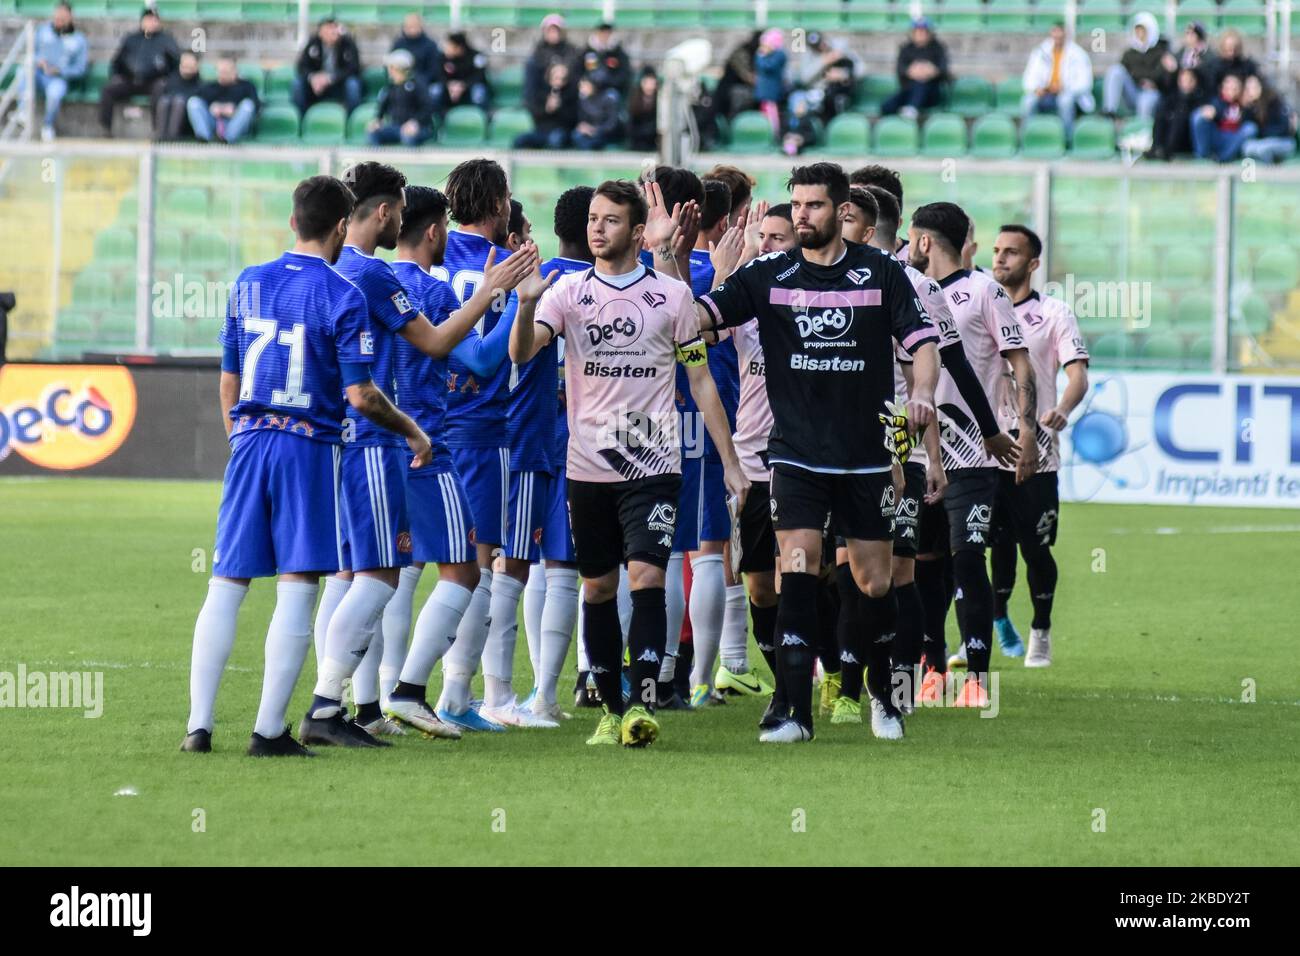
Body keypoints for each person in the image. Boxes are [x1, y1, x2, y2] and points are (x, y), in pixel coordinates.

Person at [180, 175, 430, 757]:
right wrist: (414, 430)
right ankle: (268, 732)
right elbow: (362, 396)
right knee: (297, 588)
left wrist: (240, 438)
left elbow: (228, 377)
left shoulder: (247, 282)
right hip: (308, 449)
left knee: (226, 583)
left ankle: (199, 726)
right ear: (342, 227)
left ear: (293, 222)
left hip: (248, 440)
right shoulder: (342, 295)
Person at [696, 163, 942, 743]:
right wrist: (672, 264)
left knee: (874, 582)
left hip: (865, 455)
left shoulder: (881, 272)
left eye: (814, 206)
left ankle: (882, 697)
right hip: (795, 453)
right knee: (797, 567)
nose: (802, 215)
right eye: (797, 204)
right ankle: (794, 712)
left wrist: (925, 393)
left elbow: (922, 345)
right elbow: (700, 318)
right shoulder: (768, 273)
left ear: (839, 209)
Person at [302, 162, 538, 748]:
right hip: (409, 441)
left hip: (350, 440)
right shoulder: (388, 280)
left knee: (363, 574)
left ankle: (364, 704)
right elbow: (469, 356)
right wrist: (496, 295)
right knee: (447, 567)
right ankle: (375, 697)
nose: (403, 221)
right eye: (400, 211)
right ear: (389, 214)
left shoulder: (330, 273)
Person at [509, 179, 747, 748]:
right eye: (593, 217)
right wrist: (522, 304)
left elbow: (699, 380)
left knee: (646, 578)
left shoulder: (672, 297)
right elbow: (522, 353)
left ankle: (643, 703)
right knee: (597, 588)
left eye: (611, 219)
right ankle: (610, 706)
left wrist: (731, 465)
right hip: (587, 465)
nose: (597, 227)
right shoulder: (565, 294)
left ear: (637, 232)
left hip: (655, 463)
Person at [358, 186, 545, 737]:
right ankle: (412, 690)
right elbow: (486, 362)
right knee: (463, 569)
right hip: (429, 443)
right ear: (435, 231)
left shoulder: (365, 280)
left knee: (379, 573)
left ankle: (361, 705)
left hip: (373, 444)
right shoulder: (429, 292)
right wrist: (509, 298)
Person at [906, 202, 1038, 707]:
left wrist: (1024, 431)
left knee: (967, 561)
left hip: (976, 454)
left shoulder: (984, 291)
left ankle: (978, 679)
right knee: (923, 565)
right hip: (919, 453)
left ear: (923, 242)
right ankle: (933, 668)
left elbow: (1019, 365)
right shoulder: (912, 292)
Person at [427, 159, 531, 731]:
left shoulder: (431, 258)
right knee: (481, 565)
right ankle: (458, 696)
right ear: (498, 205)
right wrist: (523, 295)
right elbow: (496, 361)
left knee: (394, 567)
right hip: (484, 428)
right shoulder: (503, 268)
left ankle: (373, 689)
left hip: (426, 427)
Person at [988, 225, 1089, 669]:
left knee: (1035, 547)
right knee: (986, 545)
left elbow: (1077, 375)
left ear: (1032, 263)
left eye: (1011, 253)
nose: (1000, 259)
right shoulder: (978, 304)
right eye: (995, 251)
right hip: (983, 448)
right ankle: (993, 621)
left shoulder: (1053, 314)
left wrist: (1063, 409)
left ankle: (1040, 629)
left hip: (1037, 450)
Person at [516, 187, 594, 721]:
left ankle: (528, 690)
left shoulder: (540, 282)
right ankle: (560, 687)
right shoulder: (601, 284)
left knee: (530, 566)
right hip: (588, 435)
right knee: (575, 565)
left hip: (531, 433)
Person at [99, 7, 179, 136]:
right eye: (148, 19)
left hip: (154, 81)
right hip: (129, 80)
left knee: (160, 88)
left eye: (154, 20)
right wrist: (116, 76)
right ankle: (105, 129)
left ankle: (156, 130)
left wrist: (167, 77)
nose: (151, 23)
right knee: (108, 89)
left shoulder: (167, 40)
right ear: (142, 21)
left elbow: (175, 64)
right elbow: (117, 62)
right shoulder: (131, 38)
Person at [1021, 22, 1095, 139]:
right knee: (1028, 101)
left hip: (1068, 94)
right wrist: (1036, 89)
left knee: (1065, 101)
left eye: (1060, 35)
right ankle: (1027, 137)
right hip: (1046, 94)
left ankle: (1067, 138)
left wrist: (1064, 87)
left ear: (1066, 35)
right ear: (1051, 34)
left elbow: (1085, 83)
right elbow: (1029, 77)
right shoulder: (1040, 52)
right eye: (1055, 35)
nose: (1057, 38)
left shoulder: (1078, 54)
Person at [31, 2, 87, 142]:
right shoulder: (42, 31)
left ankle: (47, 126)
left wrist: (60, 70)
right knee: (23, 72)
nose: (59, 20)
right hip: (38, 74)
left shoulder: (79, 39)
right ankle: (22, 113)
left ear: (70, 18)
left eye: (63, 17)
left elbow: (80, 69)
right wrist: (39, 61)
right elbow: (31, 53)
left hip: (58, 78)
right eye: (57, 16)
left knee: (55, 93)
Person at [1102, 12, 1168, 120]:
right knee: (1115, 70)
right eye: (1137, 30)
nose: (1140, 34)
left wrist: (1151, 81)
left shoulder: (1161, 51)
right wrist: (1143, 77)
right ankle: (1110, 111)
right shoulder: (1129, 53)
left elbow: (1163, 75)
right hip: (1135, 91)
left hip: (1153, 93)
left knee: (1145, 101)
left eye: (1143, 30)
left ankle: (1141, 131)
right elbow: (1123, 73)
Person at [292, 17, 362, 117]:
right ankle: (301, 118)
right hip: (316, 87)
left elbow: (354, 68)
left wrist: (330, 78)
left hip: (339, 84)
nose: (333, 31)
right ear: (320, 32)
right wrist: (313, 78)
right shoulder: (313, 42)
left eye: (335, 27)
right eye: (329, 28)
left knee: (353, 84)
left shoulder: (348, 43)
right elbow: (301, 66)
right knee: (297, 83)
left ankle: (352, 118)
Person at [881, 17, 948, 118]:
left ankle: (911, 109)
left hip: (931, 93)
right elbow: (900, 69)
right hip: (909, 90)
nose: (920, 34)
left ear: (929, 33)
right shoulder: (906, 48)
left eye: (923, 31)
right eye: (917, 31)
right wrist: (911, 71)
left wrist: (931, 71)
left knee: (921, 83)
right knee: (887, 107)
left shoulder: (938, 48)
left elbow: (943, 69)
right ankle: (908, 110)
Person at [367, 48, 434, 147]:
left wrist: (415, 123)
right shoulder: (390, 87)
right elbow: (382, 108)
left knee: (408, 136)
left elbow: (428, 108)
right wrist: (377, 120)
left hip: (419, 127)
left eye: (392, 68)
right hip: (396, 127)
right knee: (374, 134)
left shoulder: (418, 85)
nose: (390, 71)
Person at [187, 56, 259, 145]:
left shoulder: (247, 86)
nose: (223, 74)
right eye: (220, 71)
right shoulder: (210, 87)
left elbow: (256, 106)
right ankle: (203, 138)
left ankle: (227, 139)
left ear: (235, 71)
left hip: (235, 124)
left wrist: (234, 110)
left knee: (248, 105)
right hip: (214, 122)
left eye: (226, 71)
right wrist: (212, 108)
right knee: (193, 102)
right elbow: (198, 103)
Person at [790, 31, 859, 123]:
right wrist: (823, 62)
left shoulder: (840, 47)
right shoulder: (809, 55)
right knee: (797, 100)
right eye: (817, 46)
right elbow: (804, 79)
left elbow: (861, 68)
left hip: (839, 92)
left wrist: (844, 74)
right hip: (818, 92)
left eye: (822, 42)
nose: (822, 46)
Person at [1191, 73, 1256, 163]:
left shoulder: (1243, 104)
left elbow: (1249, 124)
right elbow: (1211, 113)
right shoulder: (1217, 101)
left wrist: (1247, 106)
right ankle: (1203, 154)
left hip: (1234, 139)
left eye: (1235, 88)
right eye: (1228, 88)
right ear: (1223, 88)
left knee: (1251, 128)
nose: (1231, 91)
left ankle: (1222, 158)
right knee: (1198, 115)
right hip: (1217, 135)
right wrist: (1213, 111)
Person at [514, 61, 577, 149]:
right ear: (549, 77)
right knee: (520, 140)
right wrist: (547, 109)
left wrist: (560, 107)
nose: (559, 82)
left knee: (556, 139)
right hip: (541, 131)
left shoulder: (571, 93)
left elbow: (573, 119)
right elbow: (534, 113)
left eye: (563, 79)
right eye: (556, 78)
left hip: (561, 131)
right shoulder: (541, 92)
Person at [524, 13, 580, 104]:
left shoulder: (570, 49)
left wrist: (563, 69)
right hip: (544, 95)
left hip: (567, 95)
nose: (553, 34)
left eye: (556, 30)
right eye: (550, 30)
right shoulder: (538, 51)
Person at [1242, 75, 1298, 165]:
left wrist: (1264, 134)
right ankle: (1271, 162)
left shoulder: (1274, 101)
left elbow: (1284, 128)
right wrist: (1246, 106)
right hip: (1264, 141)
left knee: (1262, 149)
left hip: (1284, 141)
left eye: (1254, 87)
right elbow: (1248, 126)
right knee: (1247, 147)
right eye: (1248, 88)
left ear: (1261, 86)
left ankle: (1271, 168)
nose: (1251, 91)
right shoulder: (1252, 107)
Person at [432, 32, 491, 116]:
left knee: (478, 92)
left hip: (469, 88)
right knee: (435, 91)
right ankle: (436, 120)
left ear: (459, 48)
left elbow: (480, 76)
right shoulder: (442, 57)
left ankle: (481, 120)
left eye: (449, 46)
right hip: (449, 89)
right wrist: (449, 85)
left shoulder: (477, 56)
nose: (446, 49)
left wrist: (463, 85)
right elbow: (438, 75)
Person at [153, 49, 200, 140]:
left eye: (190, 63)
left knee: (179, 102)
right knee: (164, 101)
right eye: (184, 63)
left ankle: (172, 139)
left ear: (196, 65)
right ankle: (160, 138)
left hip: (186, 127)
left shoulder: (200, 84)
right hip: (166, 121)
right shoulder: (172, 80)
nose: (187, 66)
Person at [390, 12, 441, 90]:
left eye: (414, 26)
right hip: (400, 84)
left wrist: (418, 82)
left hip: (425, 84)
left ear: (420, 26)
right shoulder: (398, 44)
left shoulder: (430, 45)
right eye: (408, 26)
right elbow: (391, 65)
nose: (411, 29)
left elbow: (434, 70)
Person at [572, 74, 622, 150]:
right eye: (581, 86)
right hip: (588, 132)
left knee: (594, 141)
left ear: (593, 86)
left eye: (585, 86)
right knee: (576, 136)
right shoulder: (583, 100)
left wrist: (595, 129)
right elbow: (582, 120)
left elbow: (612, 123)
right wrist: (583, 127)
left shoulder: (608, 99)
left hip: (605, 133)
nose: (582, 89)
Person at [581, 22, 631, 97]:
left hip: (610, 88)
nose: (604, 36)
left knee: (612, 96)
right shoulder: (588, 51)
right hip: (590, 88)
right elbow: (579, 70)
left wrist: (609, 83)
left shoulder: (618, 53)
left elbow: (623, 73)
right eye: (602, 32)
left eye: (607, 33)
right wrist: (586, 83)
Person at [754, 28, 787, 135]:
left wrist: (760, 55)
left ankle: (774, 134)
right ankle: (767, 133)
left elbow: (767, 67)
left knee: (772, 114)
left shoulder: (779, 55)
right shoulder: (770, 55)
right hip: (764, 92)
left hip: (771, 92)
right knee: (764, 113)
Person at [627, 65, 659, 151]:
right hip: (638, 139)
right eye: (647, 82)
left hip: (653, 138)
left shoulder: (659, 99)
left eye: (652, 83)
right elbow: (632, 122)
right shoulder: (635, 98)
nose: (649, 86)